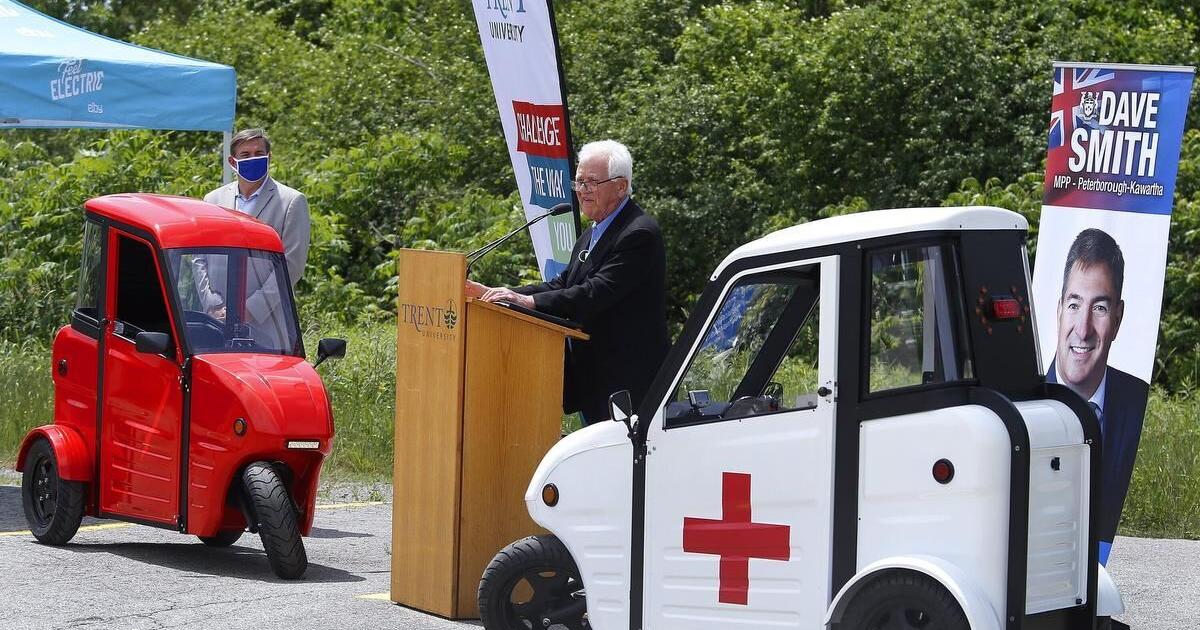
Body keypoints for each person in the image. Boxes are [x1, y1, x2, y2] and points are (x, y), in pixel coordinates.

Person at [467, 140, 669, 425]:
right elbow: (563, 284)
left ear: (621, 186)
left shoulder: (638, 234)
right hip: (594, 379)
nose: (582, 191)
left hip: (628, 382)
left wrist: (530, 302)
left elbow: (595, 292)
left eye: (592, 182)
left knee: (620, 466)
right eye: (579, 181)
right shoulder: (593, 232)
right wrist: (506, 294)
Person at [1046, 227, 1149, 563]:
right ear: (1059, 309)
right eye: (1075, 305)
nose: (1084, 328)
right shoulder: (1017, 397)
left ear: (1118, 319)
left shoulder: (1136, 402)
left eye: (1100, 308)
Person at [193, 128, 311, 347]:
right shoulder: (212, 200)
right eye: (245, 155)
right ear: (232, 161)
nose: (253, 158)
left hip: (267, 326)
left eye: (259, 153)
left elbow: (292, 265)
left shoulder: (291, 202)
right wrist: (212, 303)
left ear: (269, 157)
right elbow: (199, 257)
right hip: (215, 321)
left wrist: (250, 310)